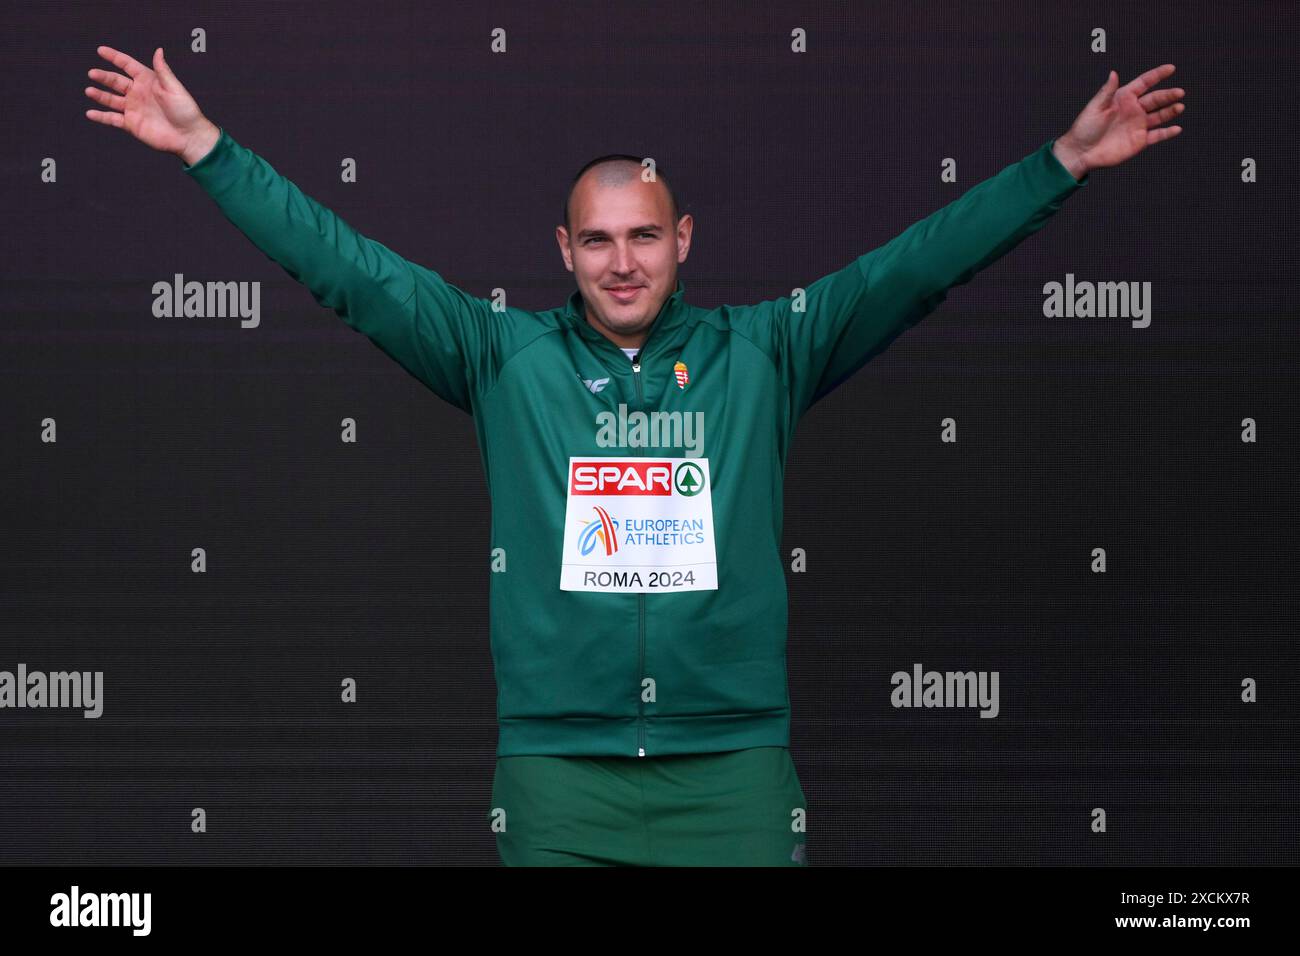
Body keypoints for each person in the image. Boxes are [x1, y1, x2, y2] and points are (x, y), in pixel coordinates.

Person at [85, 45, 1185, 866]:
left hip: (735, 775)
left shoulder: (768, 350)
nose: (622, 262)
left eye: (644, 234)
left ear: (683, 239)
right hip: (558, 780)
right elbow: (350, 270)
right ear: (563, 249)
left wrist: (1063, 163)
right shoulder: (498, 355)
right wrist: (206, 150)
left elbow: (914, 268)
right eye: (598, 239)